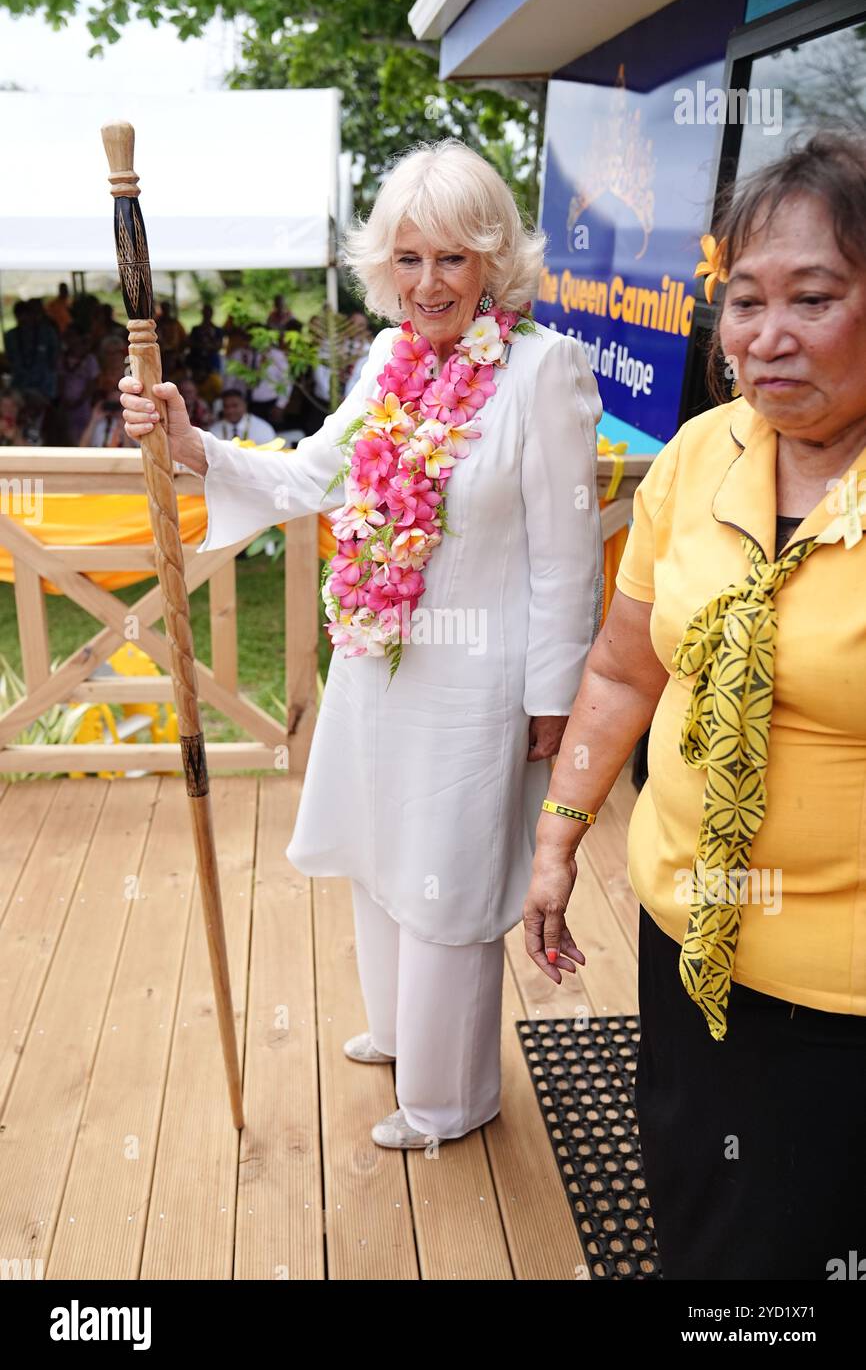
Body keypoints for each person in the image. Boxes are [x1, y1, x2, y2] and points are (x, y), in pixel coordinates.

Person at [118, 138, 604, 1150]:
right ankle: (398, 1033)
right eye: (408, 259)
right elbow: (310, 478)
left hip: (479, 689)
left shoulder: (544, 371)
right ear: (386, 267)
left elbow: (566, 557)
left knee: (450, 874)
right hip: (380, 666)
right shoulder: (388, 359)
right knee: (387, 855)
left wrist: (554, 699)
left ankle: (450, 1095)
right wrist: (187, 438)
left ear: (492, 262)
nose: (427, 283)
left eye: (453, 259)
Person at [521, 131, 866, 1280]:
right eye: (742, 300)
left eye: (811, 297)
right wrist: (559, 834)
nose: (765, 337)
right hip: (685, 940)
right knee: (698, 1214)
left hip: (840, 1002)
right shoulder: (699, 454)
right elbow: (624, 669)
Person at [208, 388, 275, 443]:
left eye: (235, 406)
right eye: (226, 406)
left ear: (245, 405)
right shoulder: (214, 431)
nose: (230, 411)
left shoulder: (262, 428)